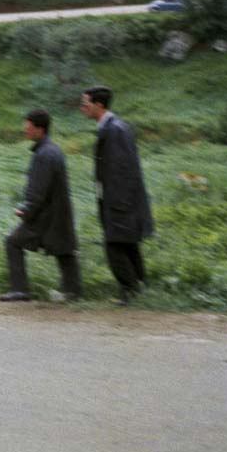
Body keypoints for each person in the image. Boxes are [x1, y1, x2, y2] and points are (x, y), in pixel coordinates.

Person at [79, 85, 154, 305]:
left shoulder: (114, 130)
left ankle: (130, 290)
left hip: (120, 202)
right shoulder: (113, 128)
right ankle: (140, 287)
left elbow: (123, 171)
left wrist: (117, 205)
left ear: (99, 105)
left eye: (85, 104)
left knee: (115, 246)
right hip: (119, 201)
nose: (82, 108)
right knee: (128, 244)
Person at [0, 109, 81, 302]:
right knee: (64, 250)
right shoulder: (53, 150)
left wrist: (26, 210)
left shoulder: (44, 154)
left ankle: (20, 290)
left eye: (27, 127)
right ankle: (73, 292)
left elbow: (38, 190)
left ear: (39, 129)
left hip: (45, 216)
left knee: (12, 242)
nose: (25, 130)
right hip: (58, 213)